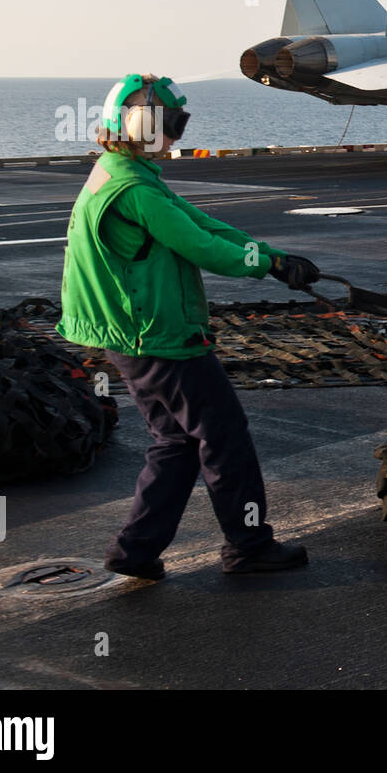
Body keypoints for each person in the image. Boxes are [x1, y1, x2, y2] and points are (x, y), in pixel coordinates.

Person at [57, 73, 320, 579]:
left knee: (176, 441)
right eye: (171, 123)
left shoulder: (121, 173)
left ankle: (134, 552)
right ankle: (248, 546)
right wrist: (264, 265)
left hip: (134, 338)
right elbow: (201, 247)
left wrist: (273, 255)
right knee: (225, 438)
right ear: (141, 123)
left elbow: (202, 224)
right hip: (158, 337)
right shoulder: (134, 189)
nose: (177, 135)